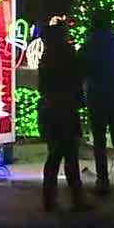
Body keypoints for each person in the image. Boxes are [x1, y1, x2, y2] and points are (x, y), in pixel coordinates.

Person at [79, 9, 114, 198]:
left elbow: (81, 71)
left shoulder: (89, 45)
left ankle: (103, 181)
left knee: (100, 141)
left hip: (97, 98)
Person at [38, 21, 90, 212]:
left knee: (56, 155)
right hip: (65, 110)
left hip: (52, 109)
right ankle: (76, 198)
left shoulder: (47, 57)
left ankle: (50, 198)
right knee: (68, 155)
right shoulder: (67, 55)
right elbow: (79, 75)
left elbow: (43, 86)